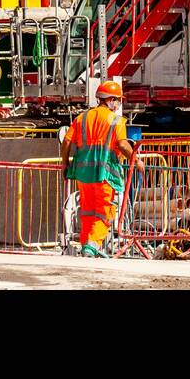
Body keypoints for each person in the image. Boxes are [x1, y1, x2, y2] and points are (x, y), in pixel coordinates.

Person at [62, 81, 134, 258]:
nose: (117, 105)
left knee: (87, 212)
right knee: (104, 213)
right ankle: (91, 246)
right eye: (117, 100)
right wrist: (136, 159)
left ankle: (87, 246)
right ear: (109, 100)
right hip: (104, 174)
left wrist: (65, 164)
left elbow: (66, 141)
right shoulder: (116, 120)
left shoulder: (82, 118)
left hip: (83, 175)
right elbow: (122, 145)